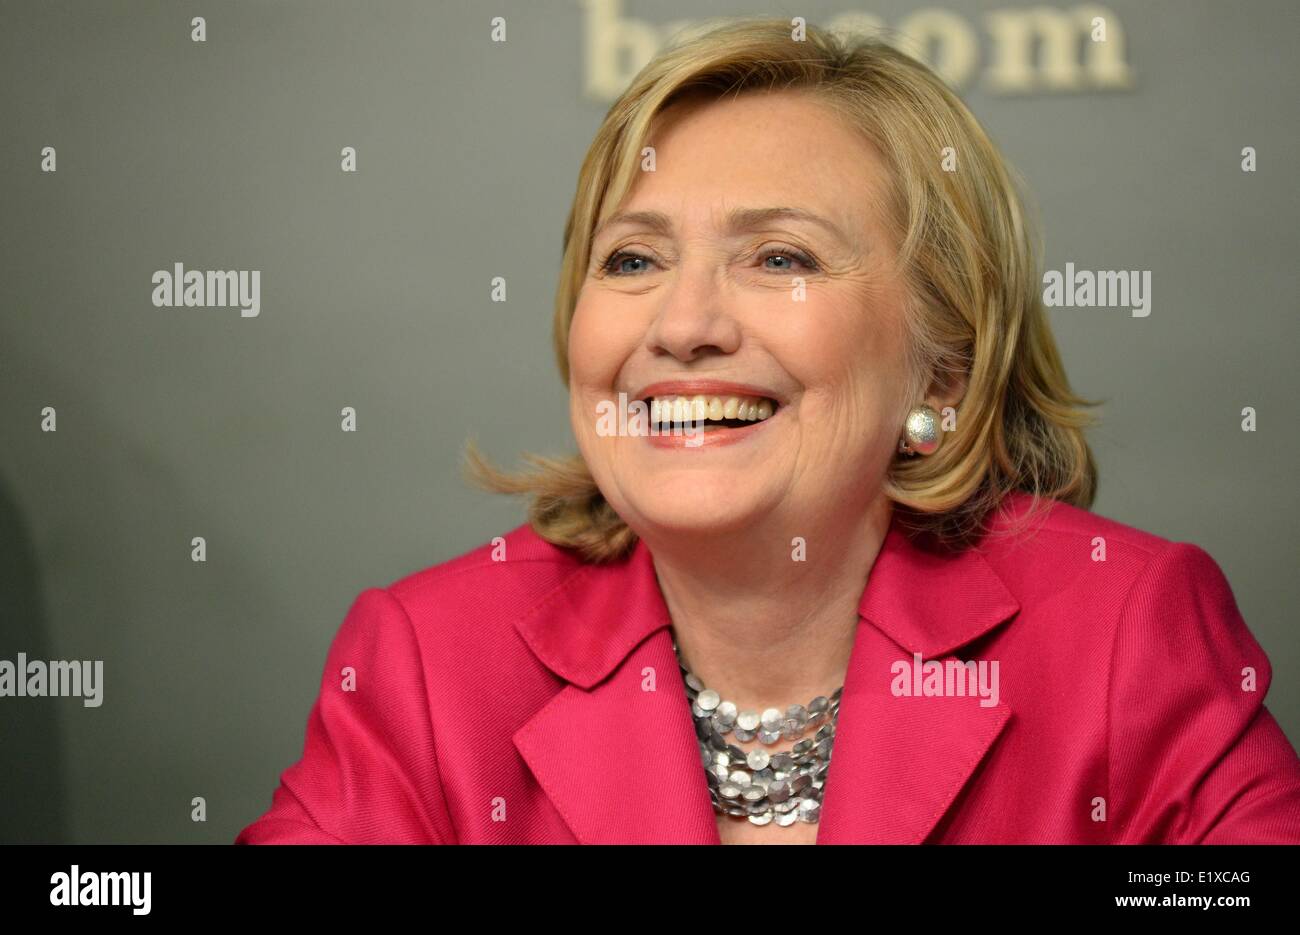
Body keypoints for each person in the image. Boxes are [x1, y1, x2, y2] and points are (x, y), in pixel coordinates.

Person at [236, 17, 1300, 844]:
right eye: (633, 260)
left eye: (779, 257)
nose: (684, 326)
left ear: (943, 360)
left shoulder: (1122, 633)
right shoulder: (427, 660)